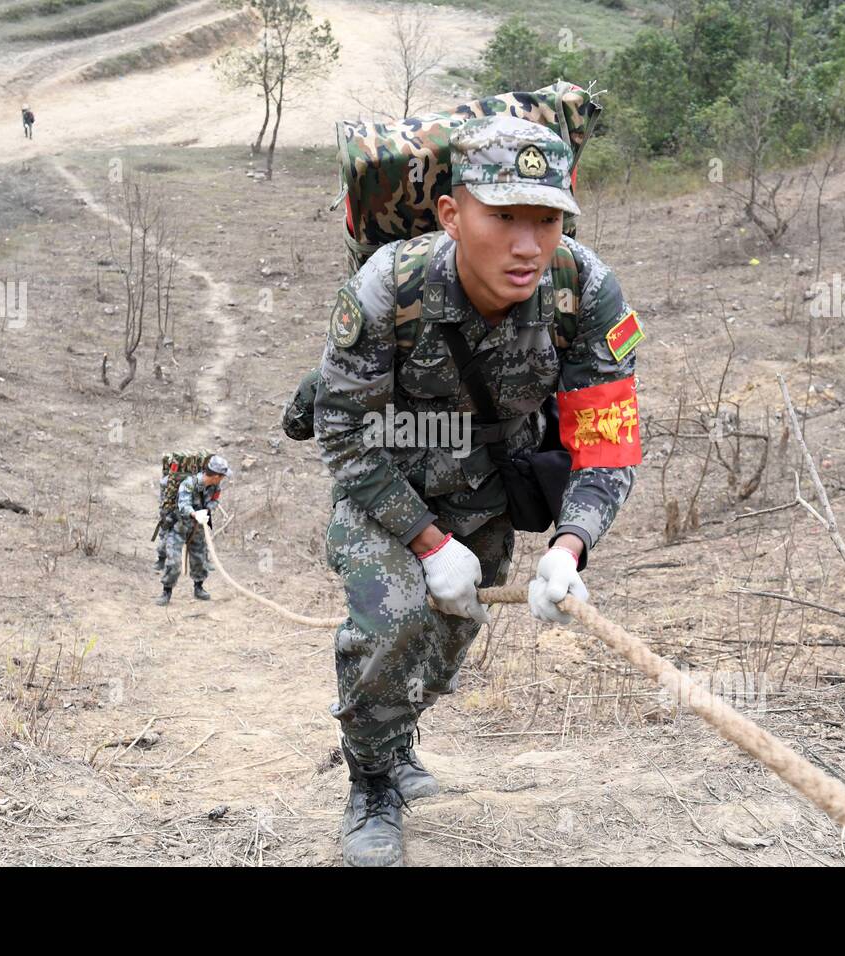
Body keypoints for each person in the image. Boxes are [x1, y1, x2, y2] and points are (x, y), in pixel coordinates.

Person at [314, 114, 644, 866]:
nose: (528, 245)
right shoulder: (386, 289)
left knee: (444, 644)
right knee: (390, 620)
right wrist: (425, 542)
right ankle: (371, 784)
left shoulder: (583, 290)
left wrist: (570, 546)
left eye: (548, 219)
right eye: (504, 218)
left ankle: (394, 742)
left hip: (488, 497)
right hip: (383, 487)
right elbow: (342, 433)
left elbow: (607, 436)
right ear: (454, 215)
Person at [156, 455, 230, 605]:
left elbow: (215, 500)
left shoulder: (216, 486)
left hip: (198, 528)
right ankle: (166, 591)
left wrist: (208, 510)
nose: (223, 479)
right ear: (216, 475)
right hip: (179, 526)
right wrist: (195, 513)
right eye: (222, 476)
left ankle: (199, 587)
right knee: (174, 561)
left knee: (199, 559)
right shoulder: (189, 483)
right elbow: (183, 503)